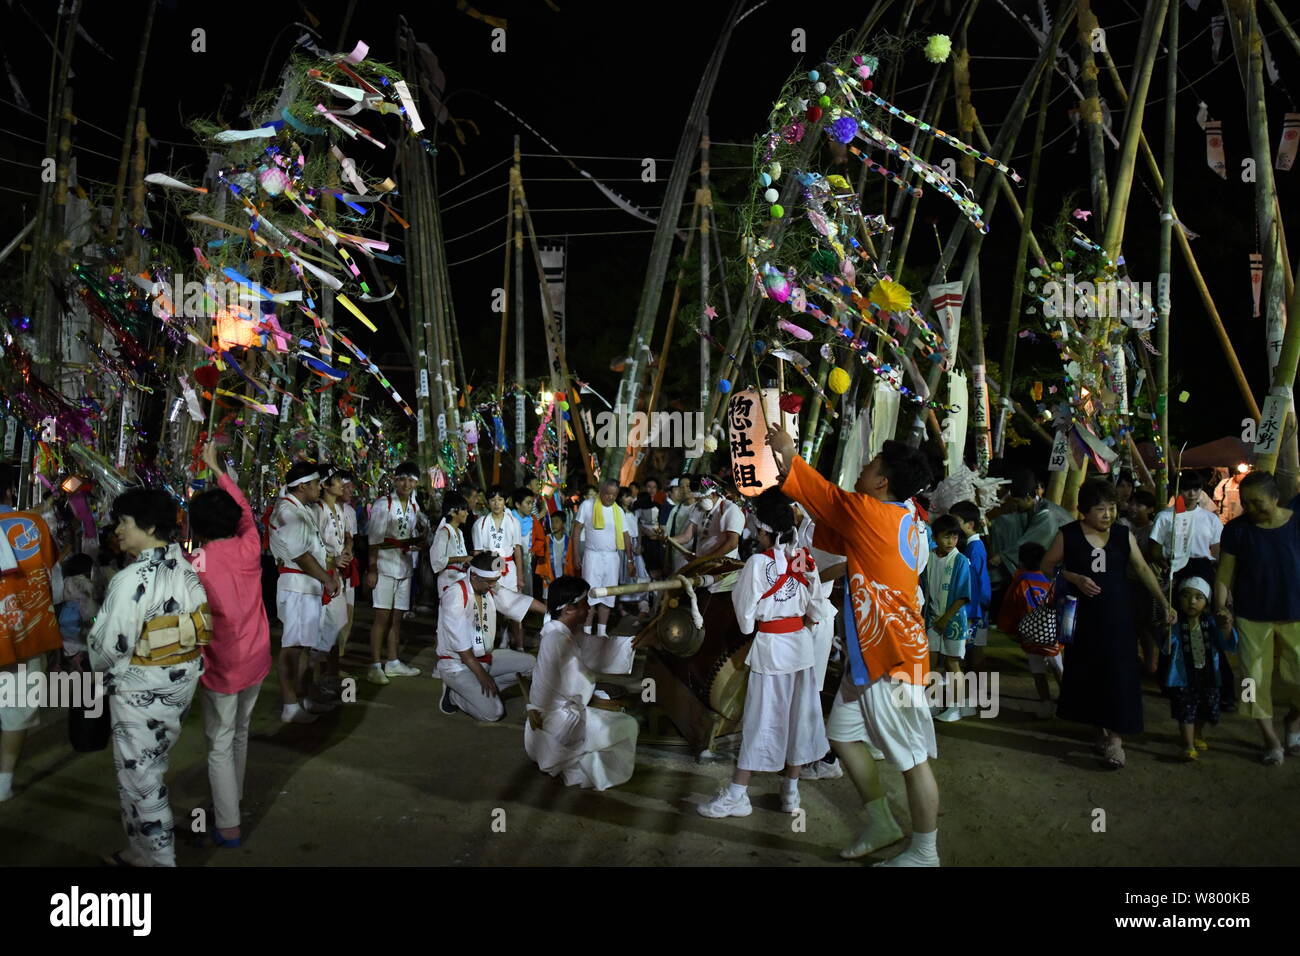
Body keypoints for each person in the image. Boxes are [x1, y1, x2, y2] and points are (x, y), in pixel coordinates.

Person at [767, 427, 940, 867]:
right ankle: (882, 822)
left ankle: (925, 852)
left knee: (913, 760)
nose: (862, 470)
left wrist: (789, 452)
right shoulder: (905, 517)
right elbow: (831, 524)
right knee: (842, 735)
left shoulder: (871, 514)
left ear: (882, 482)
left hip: (890, 656)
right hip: (876, 649)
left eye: (870, 465)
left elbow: (825, 497)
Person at [89, 488, 210, 866]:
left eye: (124, 522)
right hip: (179, 681)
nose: (117, 531)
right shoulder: (186, 567)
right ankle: (139, 850)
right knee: (147, 768)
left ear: (150, 526)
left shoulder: (131, 579)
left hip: (141, 688)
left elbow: (108, 647)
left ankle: (160, 860)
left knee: (142, 779)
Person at [698, 489, 832, 818]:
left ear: (762, 529)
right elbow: (818, 607)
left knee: (760, 720)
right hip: (801, 649)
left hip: (771, 651)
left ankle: (737, 795)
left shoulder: (758, 563)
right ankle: (790, 792)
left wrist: (755, 618)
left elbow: (745, 618)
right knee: (798, 719)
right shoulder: (804, 559)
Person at [1042, 478, 1175, 769]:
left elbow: (1141, 568)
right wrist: (1074, 577)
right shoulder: (1069, 534)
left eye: (1112, 508)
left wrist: (1164, 602)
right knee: (1090, 673)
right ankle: (1099, 729)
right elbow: (1047, 566)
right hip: (1082, 619)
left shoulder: (1122, 535)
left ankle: (1116, 738)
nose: (1108, 514)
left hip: (1117, 617)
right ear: (1084, 510)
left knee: (1119, 673)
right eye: (1100, 509)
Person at [188, 441, 272, 847]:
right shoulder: (250, 546)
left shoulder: (197, 562)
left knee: (219, 743)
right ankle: (232, 802)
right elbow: (247, 513)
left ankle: (228, 824)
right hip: (256, 657)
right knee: (240, 732)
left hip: (223, 664)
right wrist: (217, 469)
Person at [1214, 470, 1300, 764]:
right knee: (1252, 680)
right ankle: (1271, 740)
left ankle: (1293, 720)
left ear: (1275, 498)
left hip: (1295, 613)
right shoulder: (1237, 530)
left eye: (1257, 502)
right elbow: (1224, 575)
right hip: (1252, 616)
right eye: (1246, 503)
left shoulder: (1296, 522)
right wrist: (1221, 608)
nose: (1250, 509)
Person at [524, 575, 638, 790]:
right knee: (626, 724)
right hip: (557, 728)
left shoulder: (560, 633)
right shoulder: (558, 640)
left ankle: (576, 760)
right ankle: (592, 772)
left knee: (610, 714)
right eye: (585, 603)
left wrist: (633, 644)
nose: (588, 609)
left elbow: (593, 647)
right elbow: (579, 689)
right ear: (569, 609)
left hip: (546, 723)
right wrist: (603, 700)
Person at [0, 471, 61, 803]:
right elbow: (51, 571)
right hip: (25, 632)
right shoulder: (33, 524)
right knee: (15, 710)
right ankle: (3, 783)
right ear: (10, 490)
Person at [435, 553, 544, 722]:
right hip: (458, 666)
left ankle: (478, 691)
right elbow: (462, 649)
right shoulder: (455, 595)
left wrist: (552, 611)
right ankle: (455, 696)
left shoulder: (487, 587)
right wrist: (482, 676)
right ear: (474, 575)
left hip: (485, 658)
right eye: (490, 582)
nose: (494, 585)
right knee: (494, 713)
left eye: (495, 581)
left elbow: (517, 601)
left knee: (533, 665)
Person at [270, 462, 340, 722]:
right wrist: (328, 579)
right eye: (315, 483)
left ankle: (302, 698)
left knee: (304, 646)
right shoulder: (290, 511)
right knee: (292, 647)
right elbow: (300, 555)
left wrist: (327, 576)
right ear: (302, 486)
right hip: (298, 586)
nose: (320, 487)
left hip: (307, 586)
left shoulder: (300, 509)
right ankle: (290, 704)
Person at [1162, 577, 1237, 762]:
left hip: (1209, 677)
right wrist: (1167, 628)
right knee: (1186, 712)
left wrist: (1226, 626)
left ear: (1207, 601)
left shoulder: (1211, 624)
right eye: (1186, 596)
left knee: (1205, 709)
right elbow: (1166, 647)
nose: (1192, 601)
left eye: (1198, 597)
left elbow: (1227, 644)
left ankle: (1197, 734)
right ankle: (1188, 744)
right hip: (1183, 678)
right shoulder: (1177, 625)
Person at [365, 462, 425, 684]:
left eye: (411, 480)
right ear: (394, 480)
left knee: (397, 618)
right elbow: (373, 539)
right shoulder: (383, 504)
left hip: (404, 566)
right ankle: (374, 664)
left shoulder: (413, 506)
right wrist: (371, 568)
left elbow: (412, 533)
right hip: (384, 566)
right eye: (402, 479)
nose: (406, 484)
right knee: (382, 616)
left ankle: (393, 661)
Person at [987, 470, 1074, 611]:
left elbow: (1032, 540)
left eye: (1017, 501)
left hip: (1063, 565)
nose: (1016, 505)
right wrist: (993, 524)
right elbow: (1016, 521)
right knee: (1004, 522)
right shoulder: (1036, 507)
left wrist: (1002, 556)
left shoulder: (1047, 514)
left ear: (1028, 497)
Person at [995, 542, 1061, 716]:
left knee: (1037, 670)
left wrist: (1011, 630)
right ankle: (1069, 701)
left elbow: (1010, 608)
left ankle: (1046, 704)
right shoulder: (1052, 579)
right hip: (1052, 633)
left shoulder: (1020, 582)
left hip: (1030, 633)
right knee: (1058, 667)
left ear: (1021, 561)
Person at [924, 513, 972, 723]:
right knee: (931, 663)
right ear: (934, 537)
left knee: (953, 664)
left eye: (954, 537)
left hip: (953, 620)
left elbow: (963, 595)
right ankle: (932, 702)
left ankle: (956, 706)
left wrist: (945, 618)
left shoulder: (960, 561)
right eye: (946, 537)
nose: (951, 542)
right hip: (932, 618)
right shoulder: (929, 556)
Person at [573, 479, 636, 637]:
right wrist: (575, 554)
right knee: (590, 594)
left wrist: (630, 560)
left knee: (608, 594)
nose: (610, 497)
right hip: (592, 556)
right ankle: (587, 630)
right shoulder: (587, 505)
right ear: (601, 491)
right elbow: (576, 529)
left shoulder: (618, 511)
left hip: (611, 558)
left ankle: (602, 631)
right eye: (607, 493)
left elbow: (626, 535)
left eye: (614, 495)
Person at [474, 485, 528, 650]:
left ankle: (518, 645)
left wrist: (520, 576)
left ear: (506, 501)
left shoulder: (513, 522)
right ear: (488, 502)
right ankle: (489, 643)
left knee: (513, 607)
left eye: (500, 499)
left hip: (508, 569)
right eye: (493, 500)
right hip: (488, 569)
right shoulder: (481, 523)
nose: (496, 503)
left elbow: (517, 549)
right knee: (490, 606)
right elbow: (477, 552)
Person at [315, 466, 353, 696]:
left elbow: (346, 536)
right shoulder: (317, 510)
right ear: (325, 486)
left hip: (336, 576)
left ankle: (329, 676)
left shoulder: (339, 509)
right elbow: (313, 547)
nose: (341, 485)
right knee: (321, 627)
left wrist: (347, 550)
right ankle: (315, 680)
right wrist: (332, 559)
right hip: (322, 576)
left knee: (337, 624)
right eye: (336, 481)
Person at [1150, 471, 1221, 588]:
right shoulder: (1164, 517)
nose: (1192, 493)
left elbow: (1216, 548)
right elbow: (1155, 546)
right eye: (1186, 489)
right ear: (1176, 490)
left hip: (1203, 567)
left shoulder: (1211, 518)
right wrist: (1165, 566)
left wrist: (1214, 567)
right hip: (1175, 566)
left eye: (1196, 488)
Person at [948, 501, 991, 680]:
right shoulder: (975, 546)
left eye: (955, 521)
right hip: (980, 609)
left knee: (972, 653)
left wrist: (973, 612)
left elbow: (976, 584)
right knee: (976, 651)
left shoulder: (974, 549)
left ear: (969, 524)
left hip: (975, 611)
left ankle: (971, 697)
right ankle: (974, 698)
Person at [429, 491, 473, 594]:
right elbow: (437, 560)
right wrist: (462, 559)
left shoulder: (459, 532)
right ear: (452, 512)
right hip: (448, 579)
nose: (467, 513)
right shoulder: (444, 532)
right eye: (463, 510)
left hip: (460, 577)